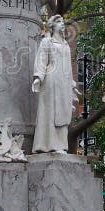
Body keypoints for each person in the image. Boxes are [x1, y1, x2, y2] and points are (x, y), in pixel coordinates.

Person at [32, 15, 77, 153]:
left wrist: (72, 85)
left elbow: (68, 68)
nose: (62, 24)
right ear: (52, 26)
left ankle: (61, 145)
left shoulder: (66, 45)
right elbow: (41, 60)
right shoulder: (47, 42)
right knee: (50, 113)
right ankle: (48, 145)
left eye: (63, 22)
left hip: (63, 82)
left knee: (63, 112)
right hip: (50, 80)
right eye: (59, 22)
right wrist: (38, 78)